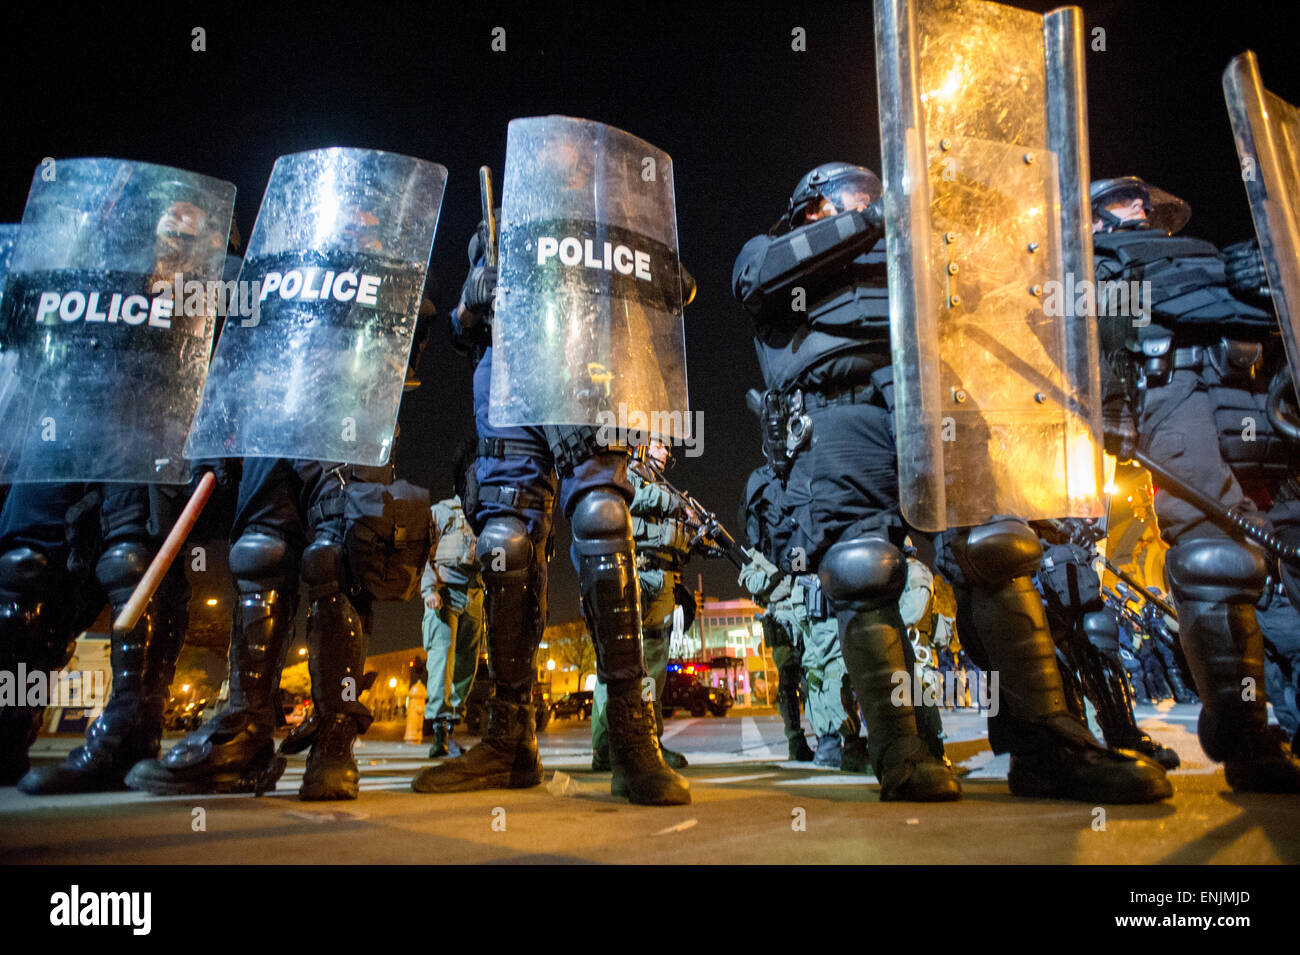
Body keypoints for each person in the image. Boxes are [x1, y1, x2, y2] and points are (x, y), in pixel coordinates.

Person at [734, 162, 1170, 802]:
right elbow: (754, 281)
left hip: (933, 400)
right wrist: (876, 220)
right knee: (863, 567)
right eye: (855, 198)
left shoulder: (909, 251)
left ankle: (1047, 745)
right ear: (811, 211)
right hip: (836, 410)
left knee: (997, 547)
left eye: (876, 197)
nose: (875, 204)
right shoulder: (773, 253)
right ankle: (901, 753)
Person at [411, 205, 689, 806]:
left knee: (603, 517)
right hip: (507, 388)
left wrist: (632, 255)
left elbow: (677, 286)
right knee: (504, 543)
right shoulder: (489, 231)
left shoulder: (588, 221)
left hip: (580, 372)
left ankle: (631, 735)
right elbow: (458, 329)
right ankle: (510, 738)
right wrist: (472, 295)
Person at [1094, 175, 1300, 791]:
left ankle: (1274, 728)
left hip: (1239, 392)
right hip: (1189, 393)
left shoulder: (1202, 258)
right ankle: (1248, 743)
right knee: (1217, 560)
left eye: (1135, 199)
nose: (1132, 207)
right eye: (1117, 202)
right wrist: (1114, 407)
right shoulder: (1105, 270)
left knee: (1271, 562)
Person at [591, 440, 694, 771]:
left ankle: (650, 739)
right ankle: (606, 748)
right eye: (659, 445)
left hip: (662, 578)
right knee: (616, 661)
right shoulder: (625, 472)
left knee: (654, 667)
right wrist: (672, 502)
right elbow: (626, 495)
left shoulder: (664, 485)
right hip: (631, 574)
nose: (665, 452)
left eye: (667, 447)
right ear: (641, 445)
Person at [421, 441, 485, 758]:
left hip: (475, 595)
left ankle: (450, 725)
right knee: (441, 664)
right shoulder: (443, 511)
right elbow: (424, 554)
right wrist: (429, 590)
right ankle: (440, 733)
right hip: (445, 594)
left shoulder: (484, 516)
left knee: (466, 668)